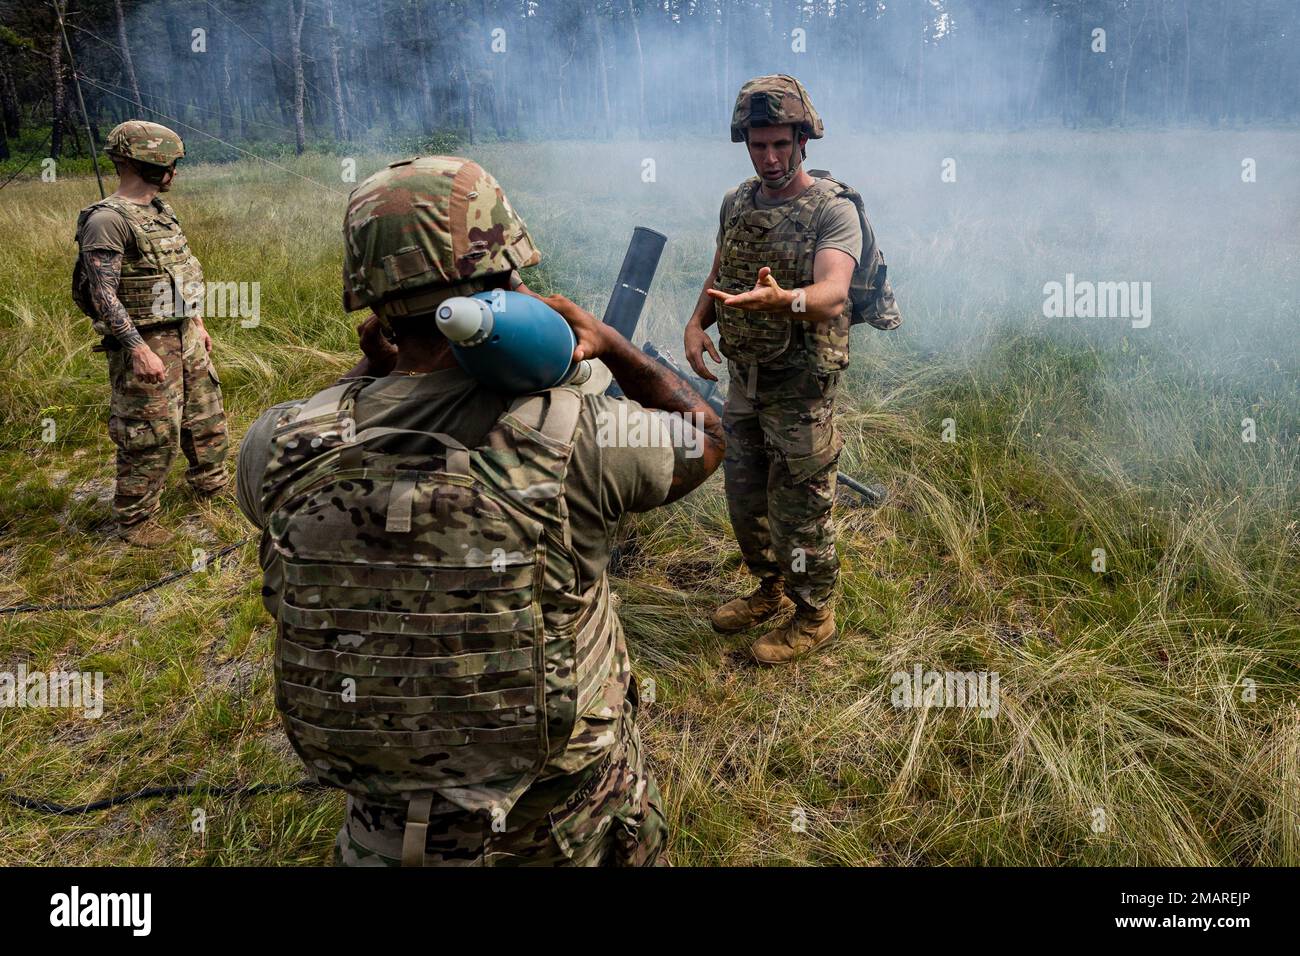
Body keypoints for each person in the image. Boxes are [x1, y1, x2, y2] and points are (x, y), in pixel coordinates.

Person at [235, 155, 724, 865]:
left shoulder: (276, 445)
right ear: (507, 287)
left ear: (375, 309)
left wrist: (371, 372)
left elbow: (319, 432)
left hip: (381, 837)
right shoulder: (576, 435)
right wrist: (611, 346)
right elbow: (708, 436)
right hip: (563, 830)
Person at [682, 74, 892, 665]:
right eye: (758, 145)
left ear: (804, 139)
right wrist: (698, 323)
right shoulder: (737, 202)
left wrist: (783, 301)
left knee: (800, 508)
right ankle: (769, 589)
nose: (769, 158)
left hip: (801, 385)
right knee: (745, 497)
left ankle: (813, 615)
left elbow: (831, 294)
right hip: (745, 376)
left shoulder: (833, 210)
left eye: (780, 144)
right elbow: (722, 266)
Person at [72, 120, 229, 547]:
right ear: (142, 162)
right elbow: (104, 295)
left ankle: (212, 484)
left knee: (205, 418)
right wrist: (138, 349)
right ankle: (136, 519)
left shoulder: (160, 210)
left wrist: (196, 322)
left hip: (185, 335)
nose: (173, 172)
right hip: (146, 342)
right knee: (149, 432)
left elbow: (176, 272)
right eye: (169, 163)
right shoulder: (106, 220)